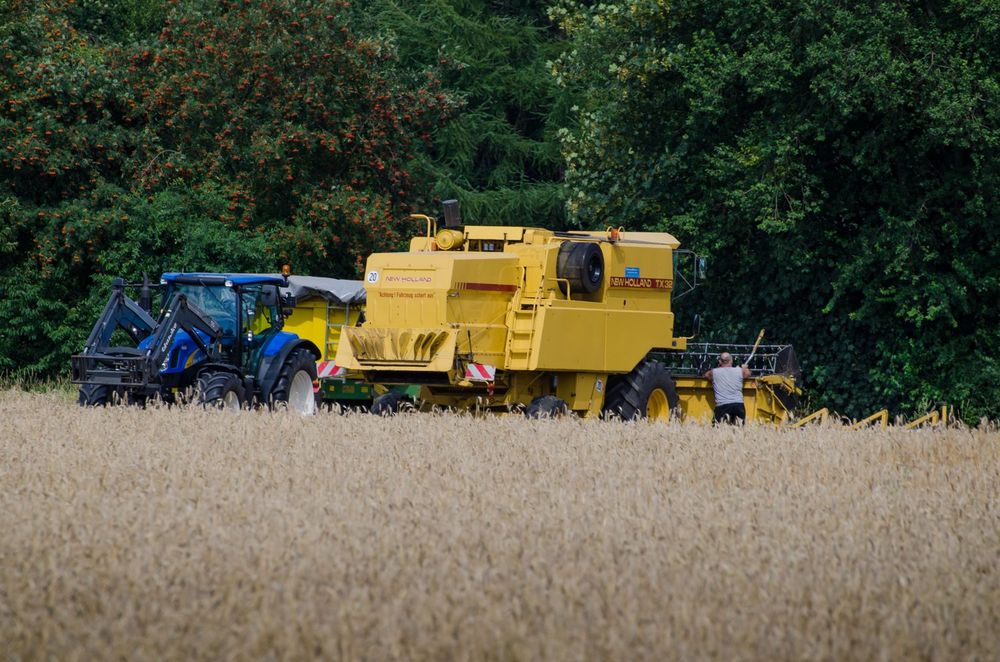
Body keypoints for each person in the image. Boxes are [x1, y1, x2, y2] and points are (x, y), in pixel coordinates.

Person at [704, 352, 751, 424]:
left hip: (722, 406)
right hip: (738, 405)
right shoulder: (739, 371)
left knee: (717, 431)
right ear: (731, 361)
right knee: (740, 431)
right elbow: (748, 373)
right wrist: (744, 367)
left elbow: (706, 375)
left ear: (720, 361)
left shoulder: (714, 372)